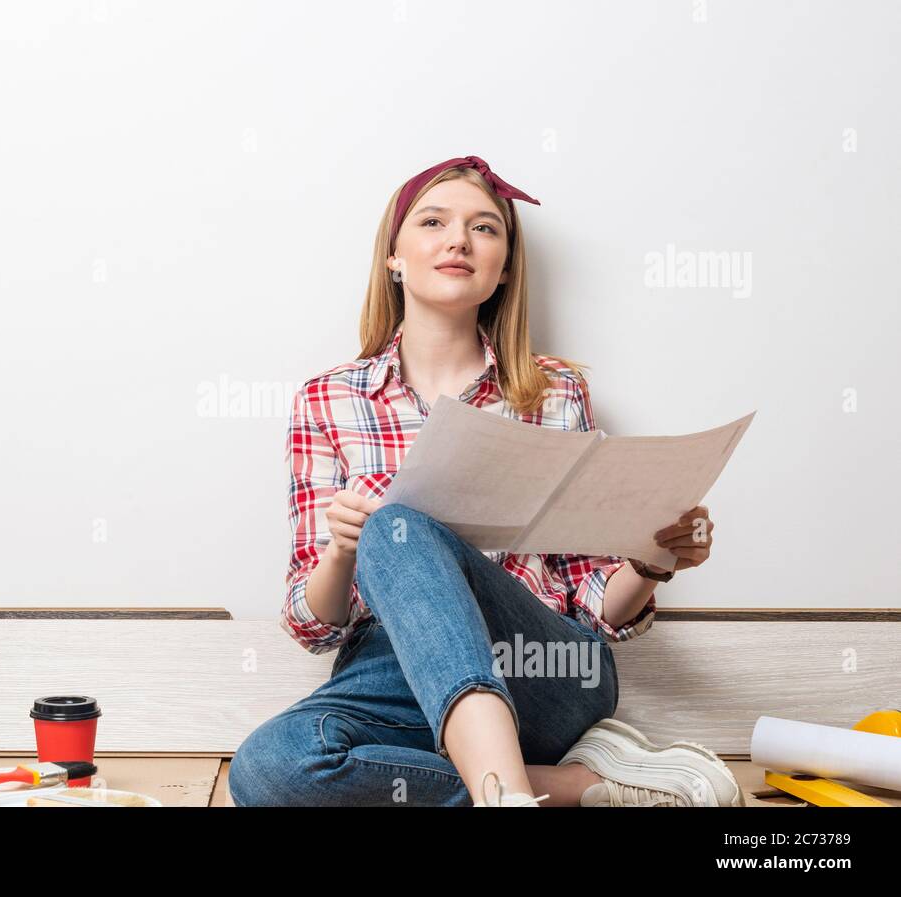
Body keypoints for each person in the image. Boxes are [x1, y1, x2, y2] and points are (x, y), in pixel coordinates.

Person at [228, 156, 743, 807]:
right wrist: (340, 551)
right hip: (389, 673)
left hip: (543, 666)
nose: (458, 240)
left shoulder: (554, 392)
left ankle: (505, 794)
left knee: (398, 523)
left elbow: (595, 600)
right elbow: (314, 624)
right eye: (434, 221)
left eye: (484, 228)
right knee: (267, 769)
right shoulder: (327, 399)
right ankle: (581, 787)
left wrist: (652, 560)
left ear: (503, 268)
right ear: (394, 255)